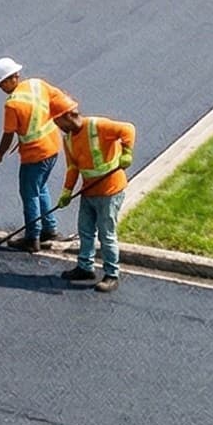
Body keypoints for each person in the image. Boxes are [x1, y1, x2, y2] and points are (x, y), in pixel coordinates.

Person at [0, 57, 77, 251]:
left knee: (29, 193)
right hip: (53, 146)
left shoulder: (12, 104)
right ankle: (49, 229)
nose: (1, 87)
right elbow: (62, 101)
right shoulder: (37, 84)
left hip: (35, 154)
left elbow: (8, 134)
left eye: (2, 83)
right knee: (40, 187)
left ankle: (32, 237)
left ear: (13, 78)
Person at [55, 107, 136, 291]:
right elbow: (73, 167)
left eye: (57, 122)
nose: (57, 126)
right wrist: (67, 191)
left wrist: (127, 152)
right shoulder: (67, 139)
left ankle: (111, 274)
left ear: (67, 116)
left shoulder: (97, 125)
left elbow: (128, 129)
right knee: (85, 230)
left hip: (110, 190)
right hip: (89, 191)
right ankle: (85, 267)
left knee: (106, 234)